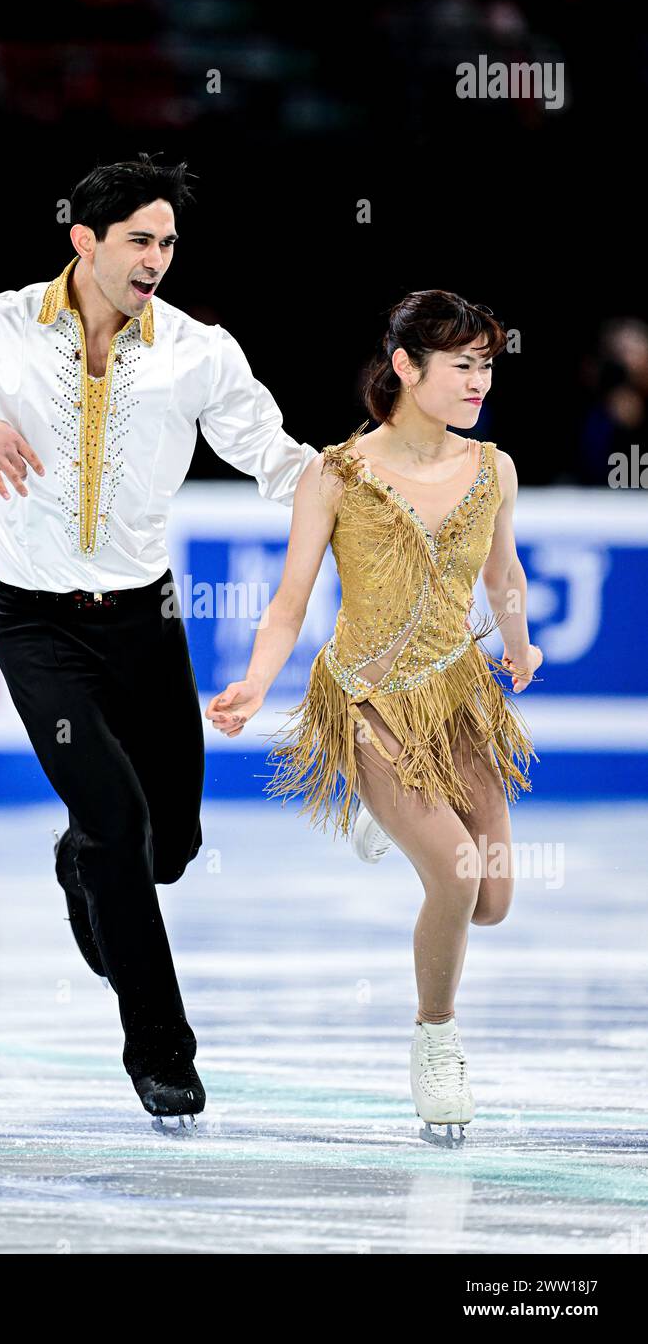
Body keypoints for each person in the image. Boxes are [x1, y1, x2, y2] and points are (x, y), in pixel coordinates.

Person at [0, 153, 318, 1126]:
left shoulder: (197, 350)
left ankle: (81, 870)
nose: (156, 259)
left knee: (169, 845)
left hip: (148, 621)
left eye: (169, 243)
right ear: (83, 240)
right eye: (139, 239)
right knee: (116, 824)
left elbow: (278, 460)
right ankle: (161, 1052)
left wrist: (360, 486)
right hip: (35, 622)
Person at [205, 290, 541, 1147]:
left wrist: (519, 643)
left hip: (459, 698)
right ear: (405, 366)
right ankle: (437, 1039)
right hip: (362, 700)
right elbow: (289, 602)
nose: (479, 381)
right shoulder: (338, 473)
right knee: (458, 873)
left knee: (494, 898)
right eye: (461, 364)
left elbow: (503, 573)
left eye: (487, 365)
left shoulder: (493, 468)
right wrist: (254, 682)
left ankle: (385, 826)